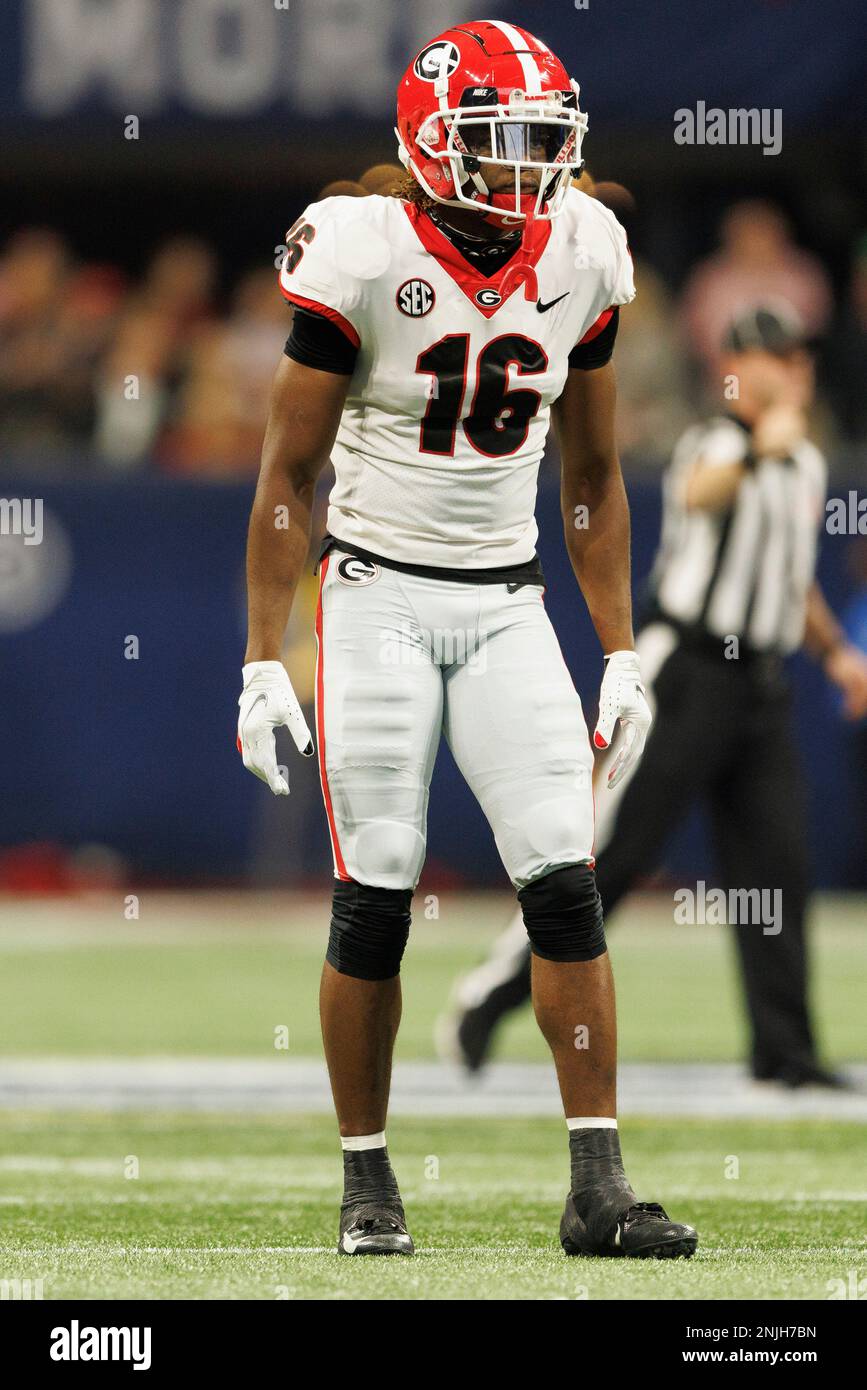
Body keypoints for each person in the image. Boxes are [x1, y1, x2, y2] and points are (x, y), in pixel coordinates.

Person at [237, 19, 697, 1261]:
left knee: (565, 880)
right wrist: (262, 654)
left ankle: (597, 1182)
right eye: (502, 146)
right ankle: (366, 1178)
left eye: (546, 145)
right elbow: (289, 473)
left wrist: (619, 645)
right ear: (434, 142)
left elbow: (593, 472)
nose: (528, 172)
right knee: (376, 889)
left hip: (508, 603)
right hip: (378, 593)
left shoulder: (586, 246)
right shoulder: (361, 246)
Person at [442, 303, 867, 1089]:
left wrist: (837, 654)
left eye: (794, 357)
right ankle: (486, 996)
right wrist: (756, 452)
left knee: (774, 867)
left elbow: (788, 578)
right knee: (610, 852)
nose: (790, 371)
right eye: (771, 357)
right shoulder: (716, 441)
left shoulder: (803, 462)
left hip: (760, 686)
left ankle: (785, 1050)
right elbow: (702, 494)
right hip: (688, 671)